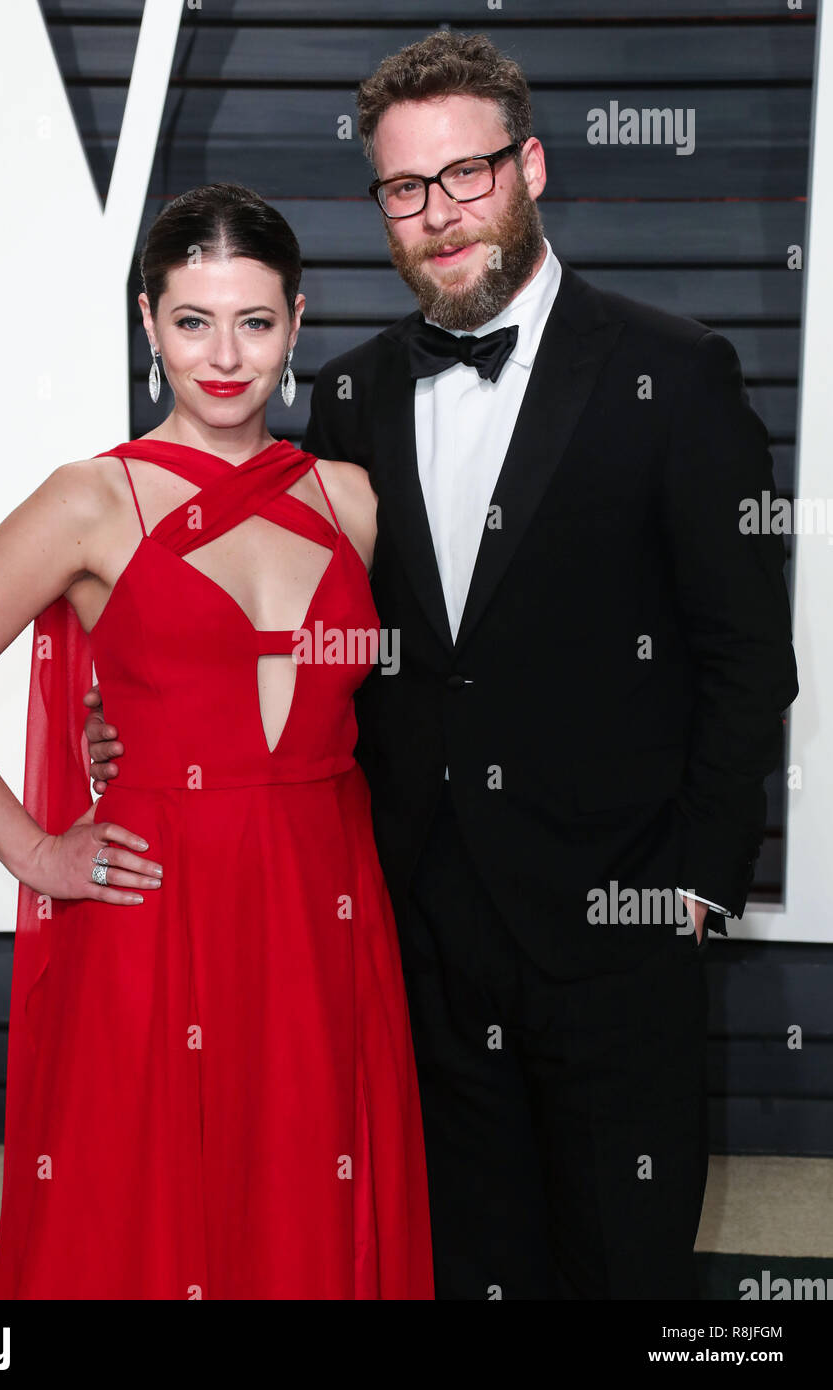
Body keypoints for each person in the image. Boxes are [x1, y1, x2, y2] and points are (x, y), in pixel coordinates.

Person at [87, 34, 798, 1300]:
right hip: (413, 918)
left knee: (621, 1266)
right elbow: (323, 646)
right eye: (405, 189)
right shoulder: (352, 397)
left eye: (464, 175)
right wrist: (133, 725)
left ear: (527, 167)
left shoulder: (674, 371)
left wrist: (694, 882)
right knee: (460, 1258)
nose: (438, 212)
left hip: (614, 916)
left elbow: (746, 655)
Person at [0, 182, 433, 1300]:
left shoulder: (354, 499)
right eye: (192, 321)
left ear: (296, 322)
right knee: (148, 1214)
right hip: (158, 911)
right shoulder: (91, 500)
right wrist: (37, 852)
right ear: (148, 323)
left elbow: (421, 703)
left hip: (322, 906)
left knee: (304, 1200)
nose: (224, 355)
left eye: (254, 321)